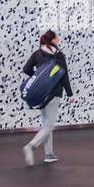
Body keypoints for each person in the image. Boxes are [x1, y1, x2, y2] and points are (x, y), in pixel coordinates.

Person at [21, 29, 74, 166]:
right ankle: (31, 146)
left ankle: (49, 154)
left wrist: (37, 77)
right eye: (57, 38)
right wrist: (70, 94)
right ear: (52, 40)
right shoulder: (58, 56)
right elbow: (64, 76)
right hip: (54, 92)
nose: (59, 40)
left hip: (41, 94)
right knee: (49, 125)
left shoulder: (37, 54)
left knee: (46, 124)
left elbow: (26, 69)